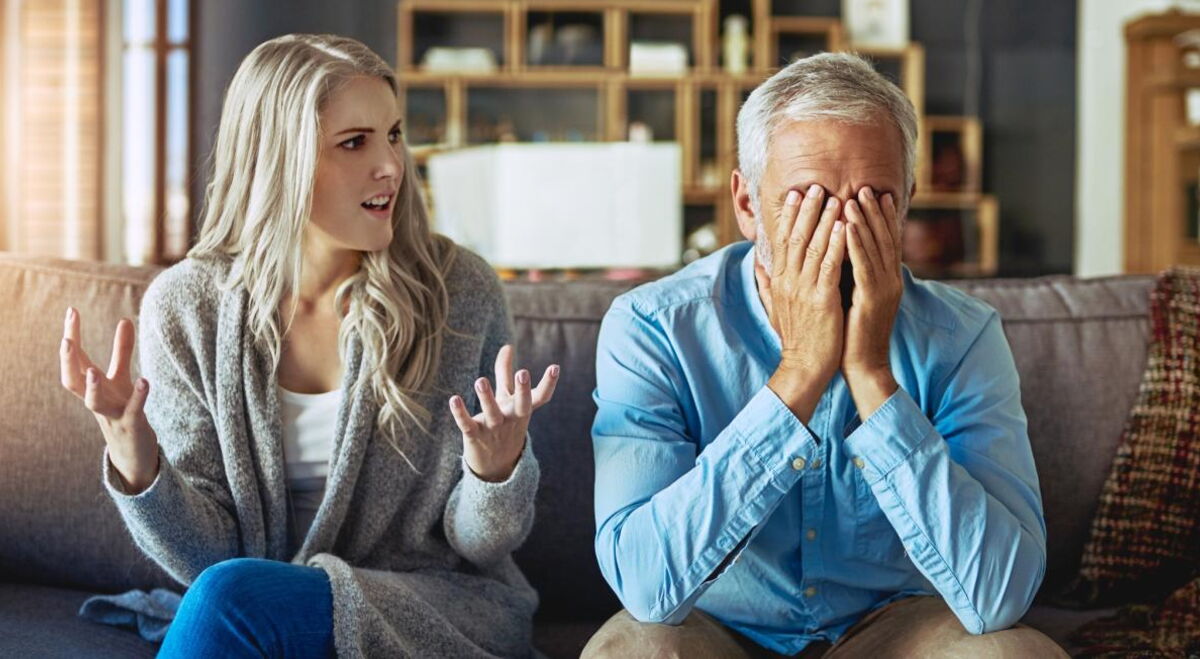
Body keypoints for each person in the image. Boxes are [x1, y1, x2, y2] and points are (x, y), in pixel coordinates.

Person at [58, 33, 559, 658]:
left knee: (230, 601)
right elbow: (205, 557)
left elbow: (482, 545)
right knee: (231, 594)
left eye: (394, 135)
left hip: (431, 603)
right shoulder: (188, 307)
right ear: (279, 159)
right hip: (268, 611)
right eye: (355, 142)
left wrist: (496, 470)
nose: (391, 165)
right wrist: (137, 463)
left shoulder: (458, 292)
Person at [583, 53, 1066, 658]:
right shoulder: (652, 327)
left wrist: (870, 377)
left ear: (908, 203)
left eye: (873, 202)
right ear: (747, 204)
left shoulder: (962, 336)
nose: (839, 233)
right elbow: (648, 588)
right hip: (715, 627)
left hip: (896, 626)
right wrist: (798, 376)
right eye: (806, 201)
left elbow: (1001, 594)